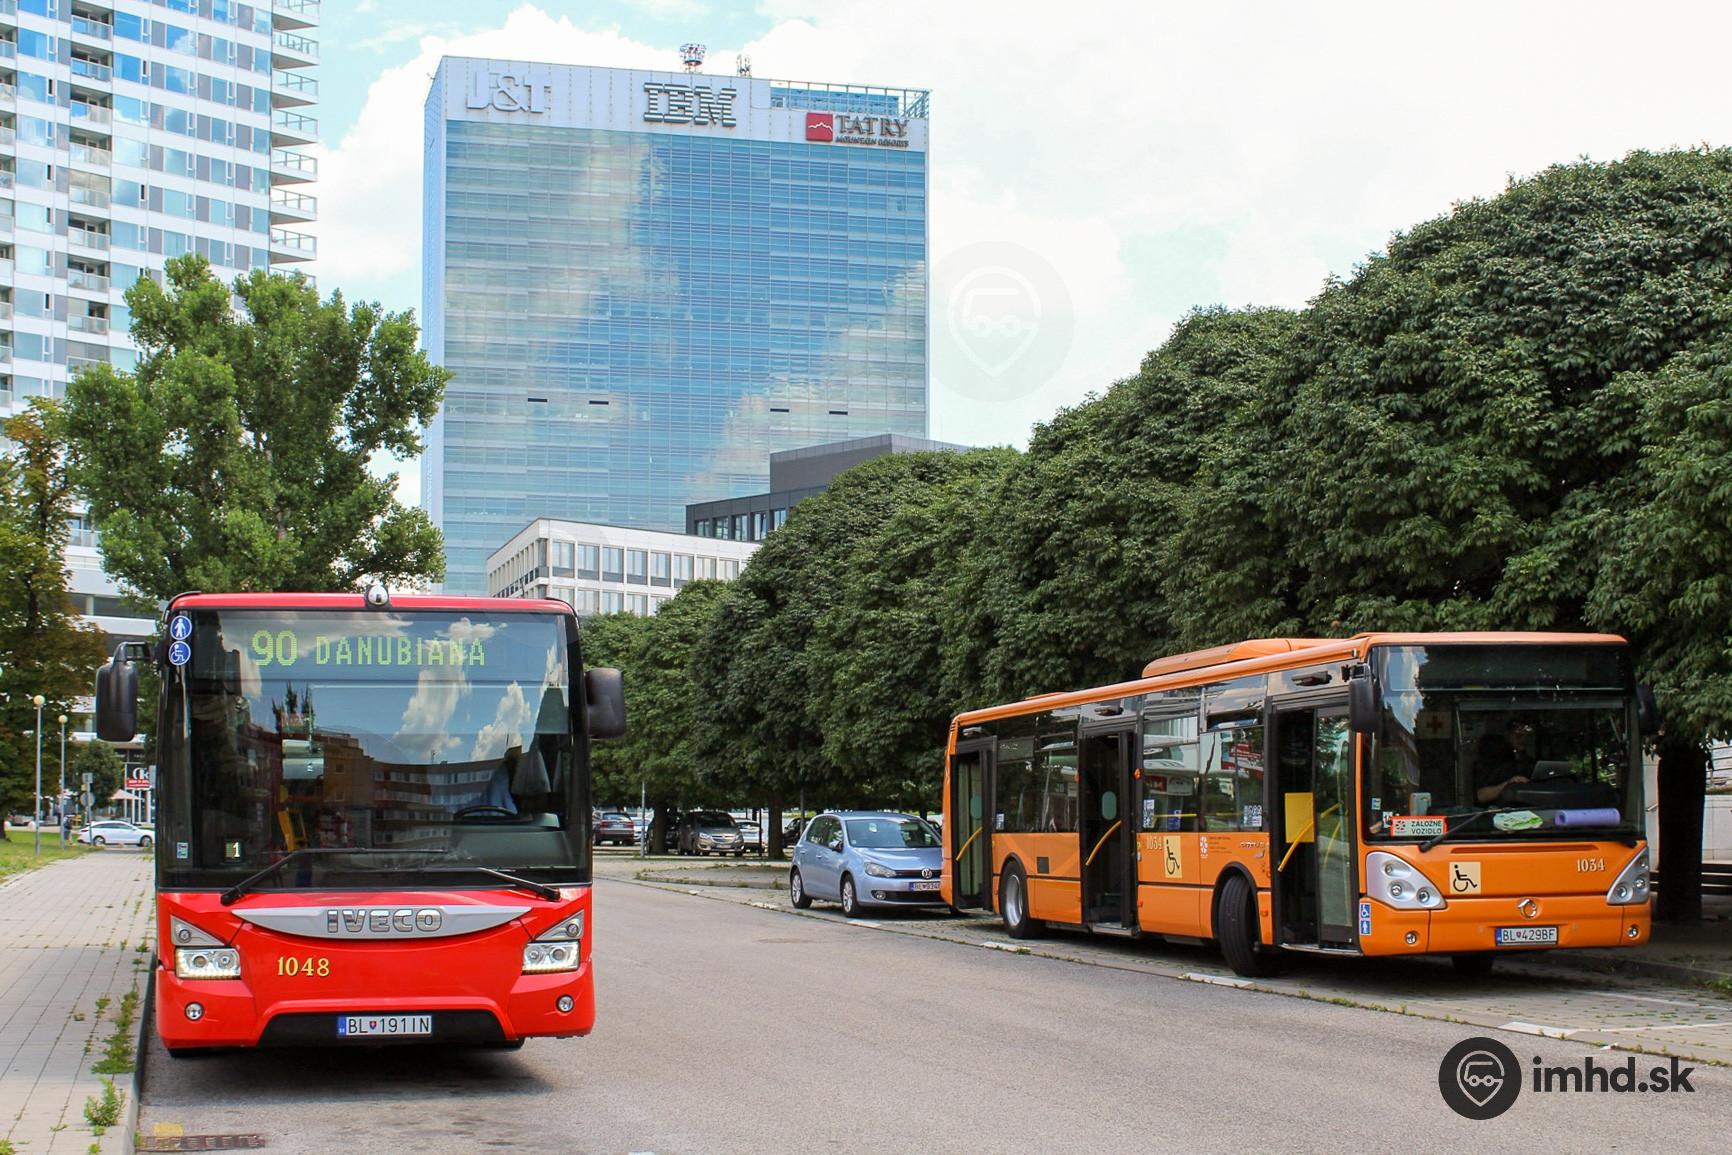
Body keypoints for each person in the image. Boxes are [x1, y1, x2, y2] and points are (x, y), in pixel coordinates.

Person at [1474, 718, 1536, 804]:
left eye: (1526, 736)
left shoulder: (1528, 761)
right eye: (1518, 736)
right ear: (1507, 735)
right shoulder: (1493, 761)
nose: (1523, 740)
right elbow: (1481, 795)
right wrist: (1508, 784)